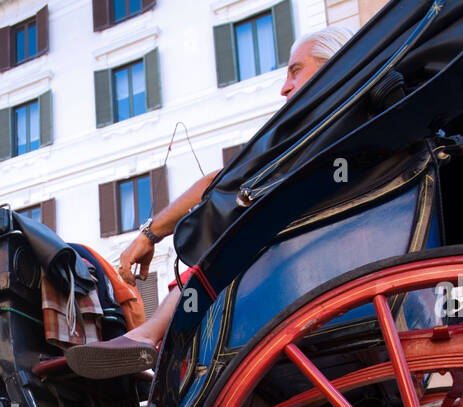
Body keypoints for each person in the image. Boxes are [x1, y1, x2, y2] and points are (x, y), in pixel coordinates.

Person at [66, 26, 355, 378]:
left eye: (296, 71)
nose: (284, 87)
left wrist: (150, 234)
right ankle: (153, 339)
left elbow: (218, 182)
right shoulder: (351, 128)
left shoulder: (317, 134)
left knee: (220, 253)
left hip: (307, 269)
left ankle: (149, 336)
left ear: (334, 65)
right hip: (334, 258)